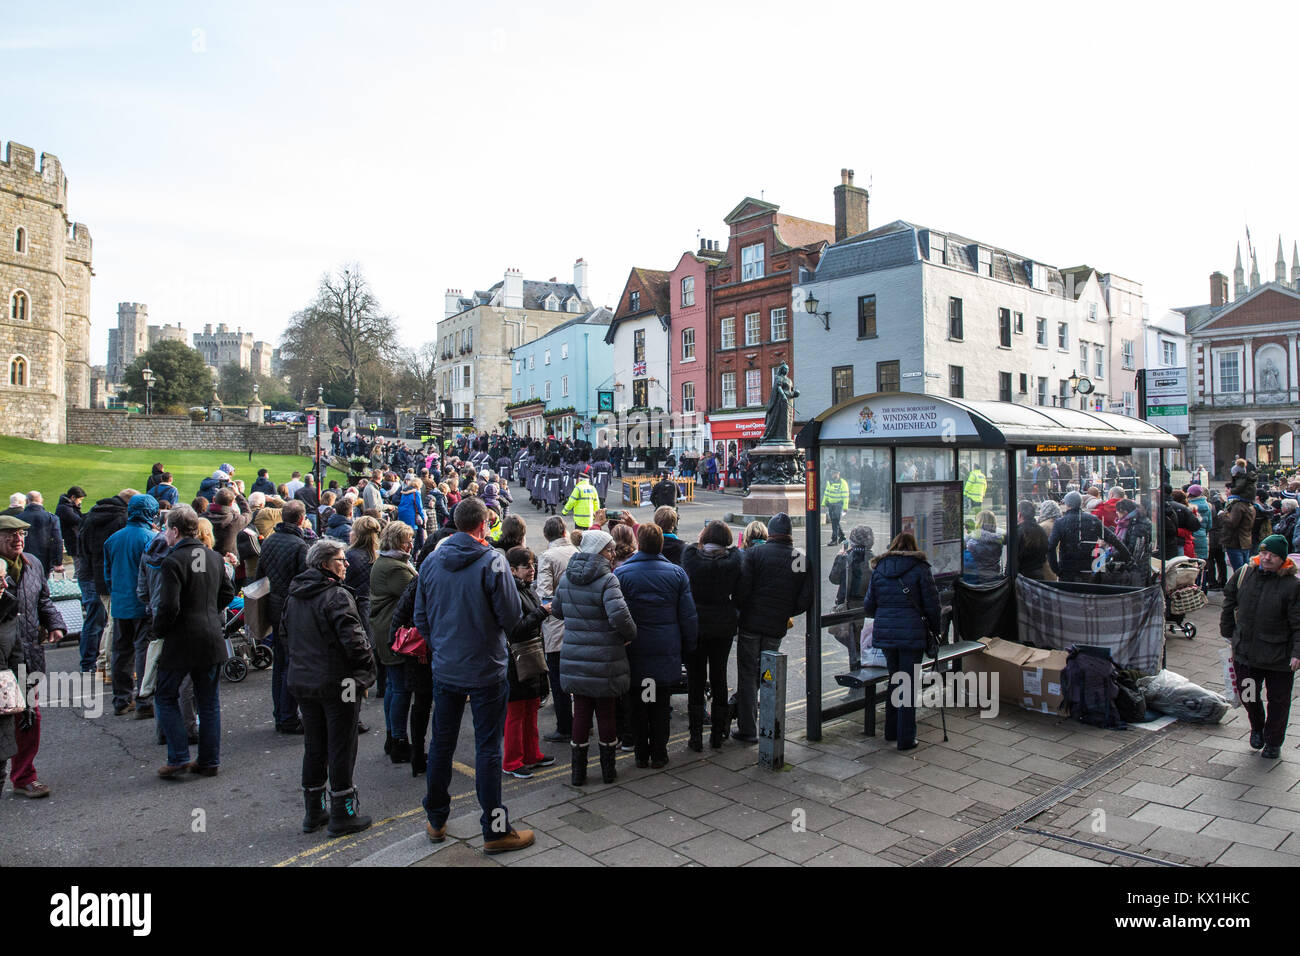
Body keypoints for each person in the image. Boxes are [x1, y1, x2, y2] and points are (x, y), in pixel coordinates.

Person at [414, 497, 532, 854]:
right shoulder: (493, 561)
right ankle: (495, 830)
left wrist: (444, 644)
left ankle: (436, 819)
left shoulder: (432, 560)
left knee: (442, 744)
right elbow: (511, 617)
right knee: (487, 749)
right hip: (485, 668)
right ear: (483, 526)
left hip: (447, 667)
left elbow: (421, 618)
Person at [282, 538, 377, 834]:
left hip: (304, 681)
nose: (346, 564)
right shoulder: (335, 595)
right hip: (337, 683)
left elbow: (286, 636)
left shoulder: (295, 595)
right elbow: (356, 642)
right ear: (325, 564)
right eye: (340, 560)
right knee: (341, 746)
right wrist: (368, 669)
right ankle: (343, 813)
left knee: (315, 744)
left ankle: (314, 811)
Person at [152, 506, 236, 779]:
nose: (165, 534)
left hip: (181, 639)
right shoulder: (212, 557)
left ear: (175, 531)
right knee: (208, 701)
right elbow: (227, 592)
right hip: (210, 635)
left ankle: (178, 757)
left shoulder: (173, 561)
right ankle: (209, 759)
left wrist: (159, 631)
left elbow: (168, 606)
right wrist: (209, 611)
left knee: (165, 695)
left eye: (167, 529)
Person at [552, 529, 636, 785]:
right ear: (599, 551)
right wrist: (630, 633)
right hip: (605, 657)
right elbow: (620, 616)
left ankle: (578, 773)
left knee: (581, 712)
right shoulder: (607, 580)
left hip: (575, 655)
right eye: (609, 550)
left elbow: (556, 610)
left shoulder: (568, 577)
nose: (612, 554)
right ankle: (608, 771)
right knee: (606, 712)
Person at [614, 523, 698, 767]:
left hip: (635, 650)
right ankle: (659, 754)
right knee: (660, 704)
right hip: (665, 649)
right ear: (660, 544)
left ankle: (641, 755)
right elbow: (688, 616)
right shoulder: (677, 574)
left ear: (639, 544)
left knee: (638, 705)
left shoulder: (621, 575)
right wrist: (688, 647)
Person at [0, 515, 66, 798]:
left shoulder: (33, 563)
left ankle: (24, 775)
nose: (18, 540)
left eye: (21, 534)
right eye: (10, 535)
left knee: (29, 716)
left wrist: (55, 624)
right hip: (1, 661)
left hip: (28, 655)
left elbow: (43, 600)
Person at [1221, 534, 1300, 760]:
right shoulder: (1245, 573)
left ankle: (1273, 742)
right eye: (1263, 553)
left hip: (1279, 657)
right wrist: (1228, 632)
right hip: (1246, 652)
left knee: (1278, 701)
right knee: (1248, 695)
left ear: (1282, 559)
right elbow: (1229, 600)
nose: (1266, 558)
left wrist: (1297, 653)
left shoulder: (1293, 586)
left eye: (1272, 555)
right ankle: (1257, 726)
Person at [734, 513, 810, 744]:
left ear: (771, 532)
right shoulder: (798, 558)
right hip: (776, 627)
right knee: (769, 674)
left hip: (750, 625)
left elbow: (742, 590)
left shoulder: (755, 553)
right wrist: (784, 611)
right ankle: (768, 726)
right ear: (790, 534)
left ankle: (748, 729)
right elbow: (805, 599)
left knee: (747, 674)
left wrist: (745, 609)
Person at [864, 532, 940, 751]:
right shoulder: (920, 569)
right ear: (913, 546)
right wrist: (936, 630)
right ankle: (906, 738)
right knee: (907, 683)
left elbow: (869, 606)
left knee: (895, 680)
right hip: (912, 635)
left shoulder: (879, 569)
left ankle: (890, 730)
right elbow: (932, 605)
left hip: (887, 636)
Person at [682, 520, 749, 750]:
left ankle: (695, 737)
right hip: (723, 625)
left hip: (697, 625)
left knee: (695, 681)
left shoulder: (690, 558)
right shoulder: (734, 562)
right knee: (720, 678)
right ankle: (719, 734)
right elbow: (741, 595)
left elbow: (691, 547)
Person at [255, 499, 310, 734]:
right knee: (290, 662)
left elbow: (259, 575)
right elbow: (305, 581)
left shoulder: (269, 541)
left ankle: (281, 712)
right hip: (291, 607)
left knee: (280, 663)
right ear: (300, 519)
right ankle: (287, 715)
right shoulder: (299, 545)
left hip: (275, 605)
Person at [104, 494, 160, 718]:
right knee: (143, 651)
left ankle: (121, 700)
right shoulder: (152, 538)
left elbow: (108, 575)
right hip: (142, 604)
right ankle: (144, 700)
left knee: (121, 652)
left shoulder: (113, 539)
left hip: (120, 602)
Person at [502, 547, 554, 778]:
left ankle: (532, 754)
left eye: (532, 565)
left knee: (531, 707)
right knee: (516, 713)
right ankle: (512, 761)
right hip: (517, 660)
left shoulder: (524, 588)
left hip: (531, 657)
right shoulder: (510, 592)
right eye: (526, 567)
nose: (531, 570)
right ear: (512, 569)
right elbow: (516, 629)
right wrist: (542, 612)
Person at [371, 521, 419, 763]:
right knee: (400, 688)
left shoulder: (388, 562)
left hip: (384, 629)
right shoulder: (395, 569)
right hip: (396, 633)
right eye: (407, 540)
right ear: (397, 542)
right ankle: (399, 740)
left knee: (393, 686)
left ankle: (393, 737)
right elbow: (416, 594)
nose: (411, 544)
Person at [75, 489, 132, 674]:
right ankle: (106, 665)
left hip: (90, 572)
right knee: (112, 622)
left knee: (98, 620)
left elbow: (82, 547)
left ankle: (94, 662)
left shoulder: (92, 515)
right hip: (109, 575)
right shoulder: (121, 520)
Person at [536, 516, 577, 743]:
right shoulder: (578, 552)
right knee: (578, 676)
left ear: (546, 535)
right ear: (565, 532)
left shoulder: (547, 557)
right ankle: (582, 722)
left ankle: (565, 726)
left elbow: (544, 594)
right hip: (579, 623)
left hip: (556, 625)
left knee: (559, 680)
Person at [1047, 490, 1130, 583]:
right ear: (1080, 504)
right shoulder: (1092, 520)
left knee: (1068, 595)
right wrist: (1129, 558)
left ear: (1067, 505)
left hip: (1067, 569)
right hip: (1088, 568)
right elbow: (1113, 539)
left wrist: (1056, 569)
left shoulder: (1060, 522)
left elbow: (1051, 547)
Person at [828, 524, 874, 667]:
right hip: (869, 606)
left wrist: (839, 556)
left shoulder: (846, 558)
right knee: (867, 643)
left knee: (853, 646)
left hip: (848, 607)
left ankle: (857, 671)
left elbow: (834, 579)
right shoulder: (875, 559)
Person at [18, 491, 62, 577]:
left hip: (24, 558)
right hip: (44, 559)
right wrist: (57, 562)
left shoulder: (18, 518)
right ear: (41, 501)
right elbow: (57, 540)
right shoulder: (51, 518)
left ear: (27, 501)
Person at [1016, 501, 1054, 581]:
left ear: (1019, 515)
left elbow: (1015, 557)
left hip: (1022, 577)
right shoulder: (1041, 530)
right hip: (1039, 576)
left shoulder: (1018, 531)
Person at [964, 510, 1005, 583]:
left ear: (979, 522)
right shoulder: (998, 540)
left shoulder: (973, 543)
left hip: (978, 579)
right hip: (995, 578)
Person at [56, 486, 85, 564]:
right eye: (80, 499)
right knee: (79, 567)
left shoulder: (68, 506)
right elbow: (78, 520)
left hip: (74, 540)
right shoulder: (64, 508)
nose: (80, 502)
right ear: (73, 497)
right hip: (73, 541)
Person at [821, 469, 850, 546]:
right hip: (831, 505)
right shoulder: (829, 482)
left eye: (834, 473)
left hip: (838, 505)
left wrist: (845, 507)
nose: (833, 475)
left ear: (838, 473)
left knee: (835, 522)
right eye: (832, 473)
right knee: (835, 522)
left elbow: (845, 496)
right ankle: (842, 537)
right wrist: (823, 503)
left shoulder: (843, 483)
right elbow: (826, 493)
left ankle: (834, 540)